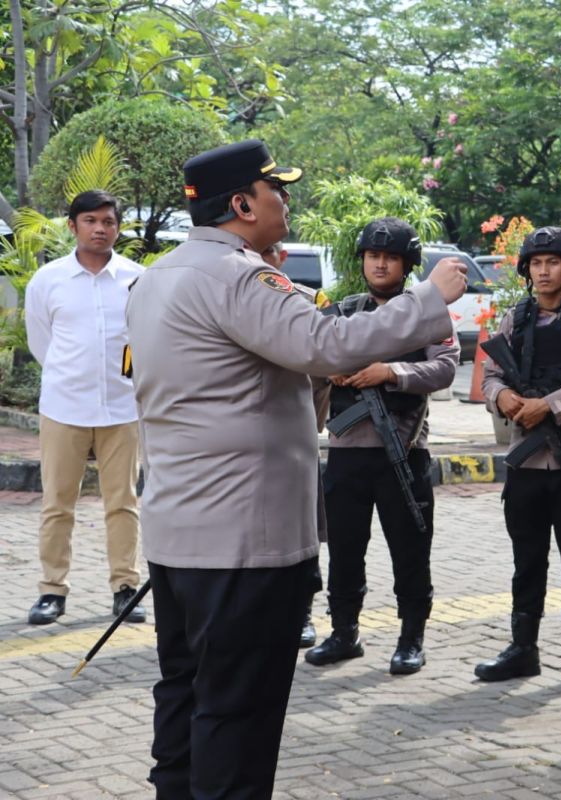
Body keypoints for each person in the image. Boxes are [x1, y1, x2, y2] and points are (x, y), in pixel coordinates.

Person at [125, 139, 467, 798]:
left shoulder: (156, 277)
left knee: (184, 697)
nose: (286, 201)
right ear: (243, 203)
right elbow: (324, 343)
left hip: (178, 537)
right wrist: (429, 296)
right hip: (243, 547)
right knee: (238, 716)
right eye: (277, 190)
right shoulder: (237, 277)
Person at [305, 218, 459, 675]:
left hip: (403, 452)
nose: (379, 263)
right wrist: (327, 369)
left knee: (410, 549)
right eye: (373, 256)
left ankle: (411, 637)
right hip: (348, 451)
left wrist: (391, 374)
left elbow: (447, 368)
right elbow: (308, 359)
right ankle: (343, 632)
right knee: (345, 549)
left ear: (406, 265)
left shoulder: (427, 314)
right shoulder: (341, 313)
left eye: (390, 257)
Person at [475, 226, 561, 693]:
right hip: (526, 464)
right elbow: (490, 374)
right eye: (535, 263)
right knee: (526, 558)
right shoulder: (515, 319)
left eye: (552, 263)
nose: (543, 271)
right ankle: (523, 649)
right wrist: (506, 400)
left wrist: (549, 406)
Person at [24, 190, 146, 626]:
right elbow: (43, 344)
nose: (100, 229)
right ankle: (52, 591)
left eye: (109, 222)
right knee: (57, 503)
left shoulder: (137, 278)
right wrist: (72, 376)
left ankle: (125, 587)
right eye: (90, 220)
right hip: (64, 407)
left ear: (118, 227)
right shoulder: (48, 281)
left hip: (123, 408)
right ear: (72, 225)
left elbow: (145, 341)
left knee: (124, 503)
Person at [260, 241, 330, 649]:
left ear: (281, 259)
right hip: (250, 450)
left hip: (294, 447)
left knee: (304, 537)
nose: (264, 260)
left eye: (270, 253)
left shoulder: (307, 303)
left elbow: (321, 378)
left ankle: (302, 613)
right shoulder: (232, 302)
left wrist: (311, 426)